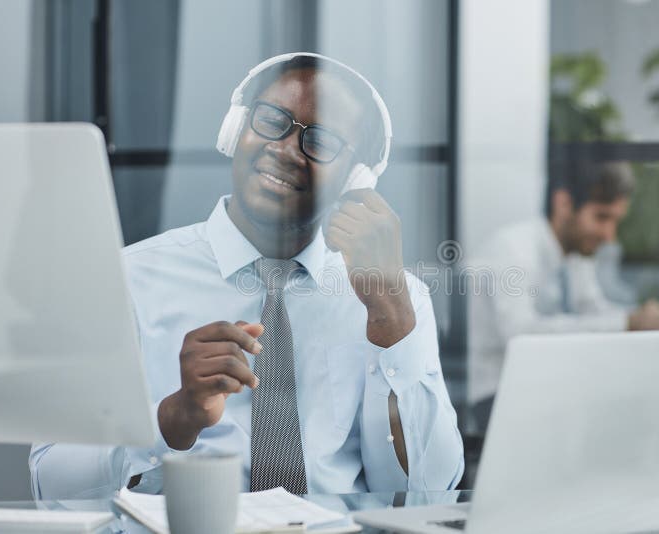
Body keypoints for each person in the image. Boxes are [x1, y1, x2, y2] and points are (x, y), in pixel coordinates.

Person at [30, 53, 464, 498]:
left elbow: (430, 490)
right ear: (235, 129)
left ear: (357, 179)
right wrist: (173, 418)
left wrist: (390, 317)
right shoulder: (127, 279)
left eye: (322, 141)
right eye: (272, 119)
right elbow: (49, 481)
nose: (284, 149)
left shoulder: (396, 298)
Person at [468, 160, 659, 430]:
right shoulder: (513, 251)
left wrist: (642, 319)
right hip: (498, 396)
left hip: (551, 389)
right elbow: (520, 336)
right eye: (601, 218)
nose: (609, 236)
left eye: (615, 222)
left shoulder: (576, 255)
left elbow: (593, 310)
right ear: (563, 205)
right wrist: (624, 323)